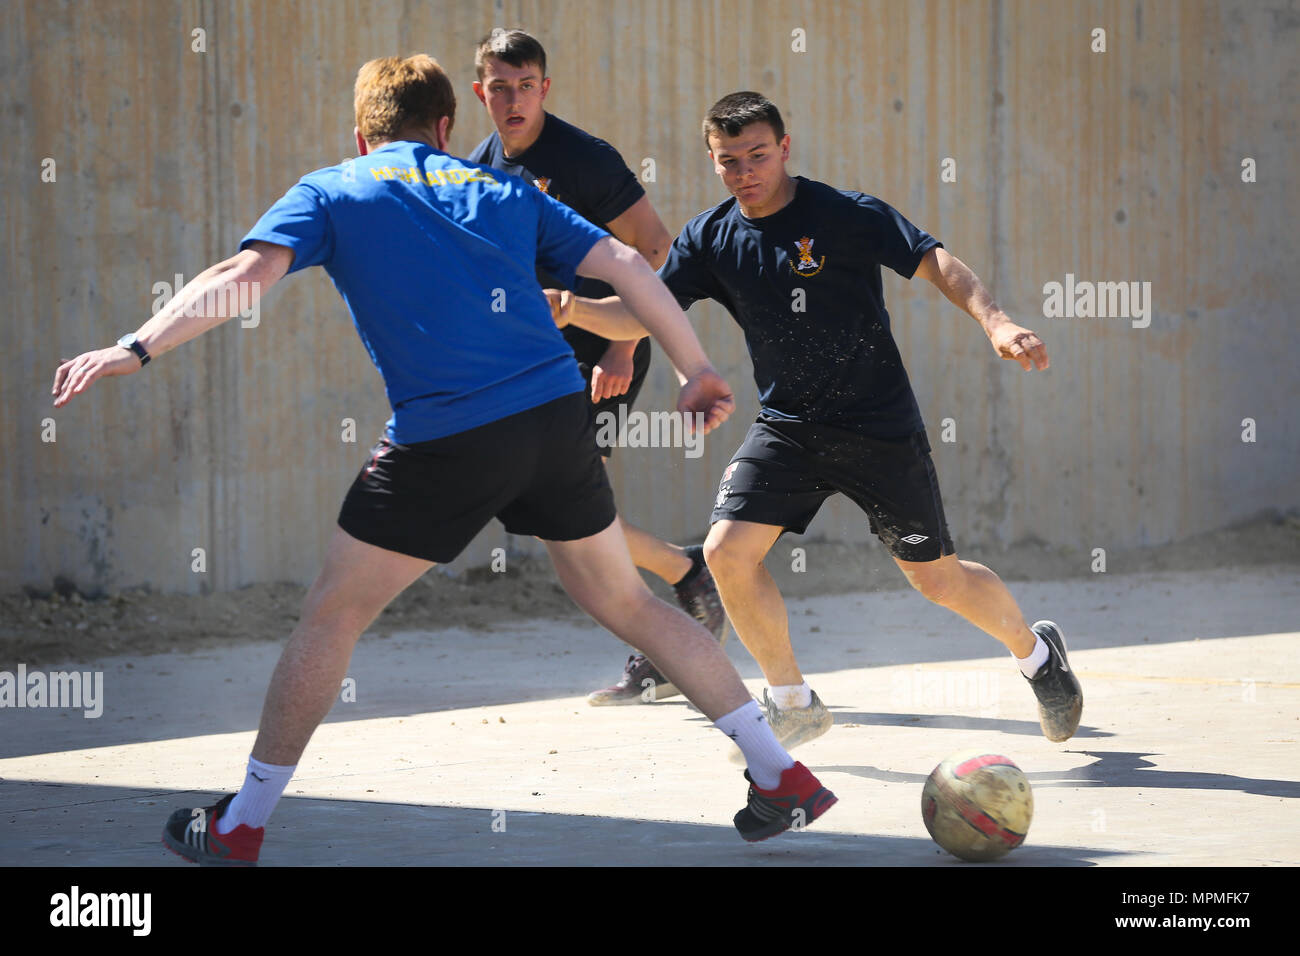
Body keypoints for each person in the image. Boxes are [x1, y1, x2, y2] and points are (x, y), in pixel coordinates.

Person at [50, 62, 837, 863]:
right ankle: (781, 776)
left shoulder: (333, 189)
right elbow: (632, 265)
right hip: (554, 418)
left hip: (447, 437)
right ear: (447, 128)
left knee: (333, 615)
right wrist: (694, 366)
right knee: (628, 602)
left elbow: (242, 277)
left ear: (362, 133)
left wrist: (135, 347)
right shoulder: (505, 191)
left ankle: (240, 824)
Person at [556, 91, 1083, 758]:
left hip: (877, 427)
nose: (745, 171)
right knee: (724, 552)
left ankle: (1037, 656)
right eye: (728, 161)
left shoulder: (845, 215)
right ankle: (793, 703)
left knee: (938, 579)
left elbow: (937, 263)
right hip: (789, 429)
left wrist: (997, 322)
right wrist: (573, 307)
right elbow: (641, 314)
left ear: (784, 148)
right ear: (712, 161)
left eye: (757, 155)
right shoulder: (710, 238)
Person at [465, 30, 727, 706]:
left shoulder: (584, 158)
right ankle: (686, 575)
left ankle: (675, 631)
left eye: (526, 85)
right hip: (531, 362)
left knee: (569, 510)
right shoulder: (478, 167)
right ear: (480, 93)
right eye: (501, 86)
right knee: (551, 512)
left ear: (545, 89)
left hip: (598, 357)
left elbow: (656, 249)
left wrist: (626, 342)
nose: (514, 98)